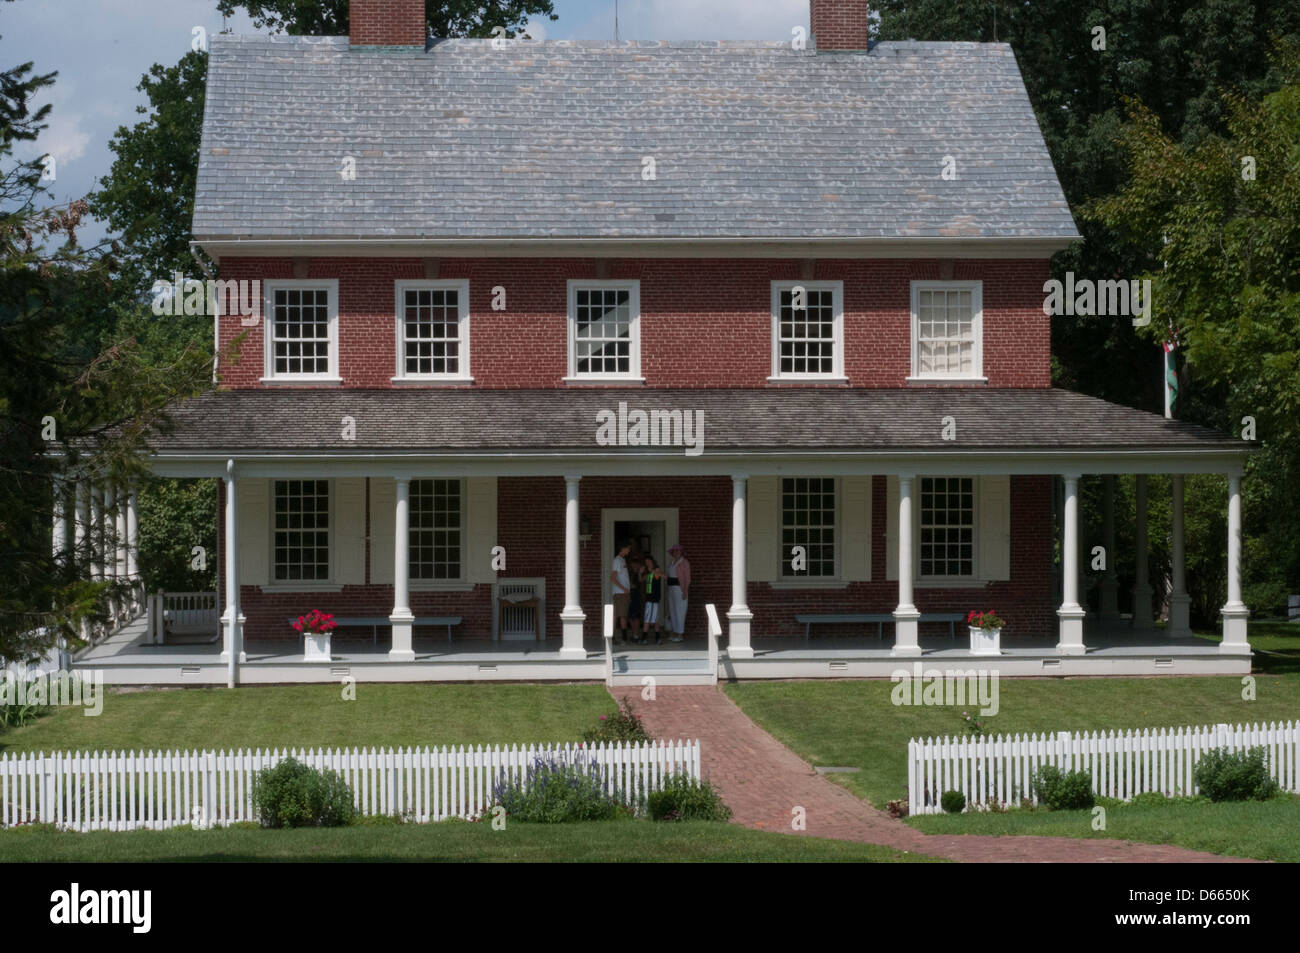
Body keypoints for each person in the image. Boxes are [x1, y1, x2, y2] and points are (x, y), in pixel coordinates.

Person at [666, 543, 690, 642]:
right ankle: (674, 632)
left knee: (680, 611)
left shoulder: (684, 562)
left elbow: (687, 578)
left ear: (681, 552)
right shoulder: (672, 562)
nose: (676, 552)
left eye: (678, 551)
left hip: (679, 588)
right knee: (673, 610)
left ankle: (680, 634)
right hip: (671, 588)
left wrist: (685, 590)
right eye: (674, 551)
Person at [611, 540, 632, 644]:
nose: (629, 550)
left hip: (623, 593)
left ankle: (614, 637)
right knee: (622, 616)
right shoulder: (617, 560)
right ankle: (623, 639)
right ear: (623, 548)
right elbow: (613, 578)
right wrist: (624, 589)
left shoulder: (623, 560)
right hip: (620, 593)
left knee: (619, 615)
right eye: (628, 548)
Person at [641, 556, 665, 644]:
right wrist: (641, 573)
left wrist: (653, 571)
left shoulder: (656, 569)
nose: (648, 564)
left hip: (655, 598)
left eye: (649, 562)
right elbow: (641, 580)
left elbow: (664, 575)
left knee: (655, 618)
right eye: (646, 562)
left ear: (652, 561)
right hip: (648, 597)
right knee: (648, 617)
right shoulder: (646, 571)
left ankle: (657, 638)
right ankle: (644, 638)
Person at [627, 559, 645, 644]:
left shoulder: (639, 574)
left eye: (636, 564)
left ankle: (636, 635)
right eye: (633, 564)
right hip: (629, 594)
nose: (634, 566)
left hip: (636, 595)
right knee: (630, 616)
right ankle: (634, 633)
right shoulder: (629, 574)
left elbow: (638, 583)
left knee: (636, 616)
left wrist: (639, 573)